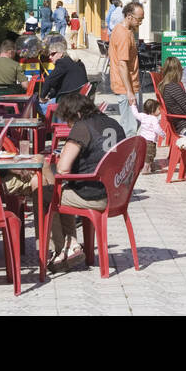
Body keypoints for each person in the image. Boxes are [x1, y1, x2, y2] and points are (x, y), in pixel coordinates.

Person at [45, 92, 125, 267]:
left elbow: (63, 169)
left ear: (78, 115)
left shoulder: (82, 127)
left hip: (94, 196)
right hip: (118, 194)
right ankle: (71, 244)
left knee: (44, 194)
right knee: (62, 191)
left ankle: (60, 250)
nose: (68, 125)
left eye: (68, 119)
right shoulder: (114, 124)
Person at [107, 0, 143, 137]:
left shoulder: (124, 30)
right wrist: (129, 91)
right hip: (126, 87)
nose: (141, 22)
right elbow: (122, 64)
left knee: (134, 124)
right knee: (130, 128)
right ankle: (129, 157)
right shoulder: (123, 34)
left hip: (130, 85)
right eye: (139, 19)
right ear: (129, 16)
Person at [38, 35, 87, 116]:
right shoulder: (77, 62)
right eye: (49, 55)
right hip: (79, 99)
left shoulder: (62, 62)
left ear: (60, 54)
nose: (50, 57)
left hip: (70, 101)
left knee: (38, 105)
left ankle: (54, 125)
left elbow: (49, 80)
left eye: (52, 54)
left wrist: (42, 98)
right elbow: (58, 83)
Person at [135, 98, 165, 173]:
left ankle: (152, 167)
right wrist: (163, 134)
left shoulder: (142, 116)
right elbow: (157, 129)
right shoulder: (154, 119)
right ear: (152, 110)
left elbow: (135, 114)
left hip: (142, 140)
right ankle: (145, 169)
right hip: (150, 141)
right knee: (150, 155)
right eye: (158, 109)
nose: (160, 111)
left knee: (145, 154)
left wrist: (133, 106)